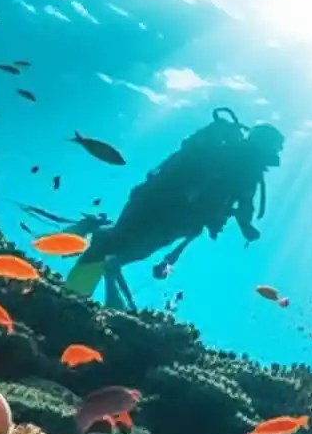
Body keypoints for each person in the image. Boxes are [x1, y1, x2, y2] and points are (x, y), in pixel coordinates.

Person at [63, 108, 285, 309]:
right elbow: (243, 202)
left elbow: (244, 202)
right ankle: (73, 296)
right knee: (119, 247)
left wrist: (246, 226)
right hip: (162, 205)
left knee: (127, 249)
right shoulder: (234, 159)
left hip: (175, 216)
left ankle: (76, 291)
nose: (276, 154)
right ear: (264, 144)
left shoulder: (246, 169)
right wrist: (246, 226)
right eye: (275, 148)